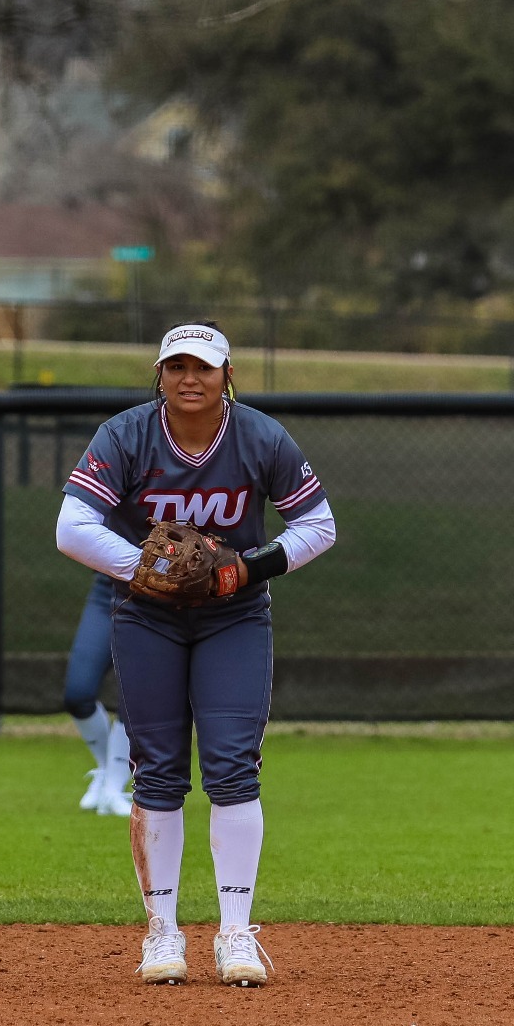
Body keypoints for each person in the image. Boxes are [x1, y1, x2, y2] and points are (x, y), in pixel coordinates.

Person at [55, 321, 336, 987]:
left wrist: (244, 569)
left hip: (234, 617)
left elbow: (319, 525)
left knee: (234, 766)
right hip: (148, 617)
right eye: (176, 365)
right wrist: (141, 567)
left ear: (226, 375)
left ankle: (236, 933)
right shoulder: (127, 434)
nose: (190, 377)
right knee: (156, 773)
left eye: (203, 367)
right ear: (159, 375)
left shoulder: (260, 436)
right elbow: (72, 526)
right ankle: (163, 931)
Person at [65, 574, 133, 816]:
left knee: (135, 696)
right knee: (78, 693)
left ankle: (114, 789)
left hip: (158, 598)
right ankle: (105, 771)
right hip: (110, 588)